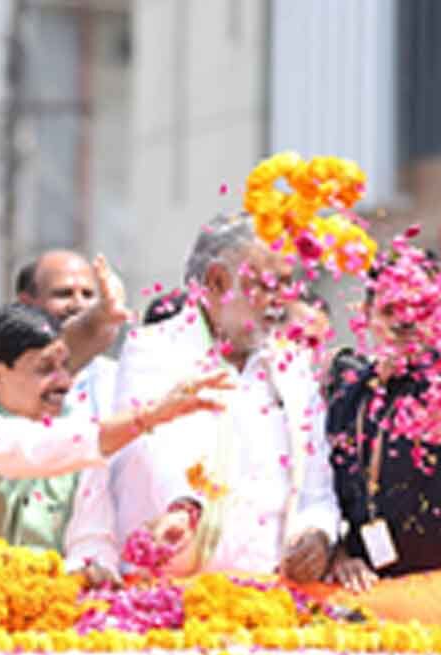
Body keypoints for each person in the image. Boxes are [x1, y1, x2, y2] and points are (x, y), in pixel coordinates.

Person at [0, 303, 232, 582]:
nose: (64, 382)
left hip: (45, 623)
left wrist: (89, 569)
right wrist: (148, 417)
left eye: (65, 366)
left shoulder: (75, 422)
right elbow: (31, 449)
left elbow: (92, 533)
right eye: (45, 369)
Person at [112, 214, 340, 583]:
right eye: (265, 284)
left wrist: (317, 534)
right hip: (169, 594)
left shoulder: (293, 367)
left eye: (287, 284)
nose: (280, 301)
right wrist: (185, 509)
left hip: (271, 597)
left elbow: (317, 487)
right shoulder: (153, 351)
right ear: (218, 282)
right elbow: (155, 451)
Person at [324, 175, 441, 592]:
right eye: (391, 309)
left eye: (419, 308)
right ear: (368, 314)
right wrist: (340, 554)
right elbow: (321, 494)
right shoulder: (350, 395)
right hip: (361, 597)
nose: (404, 320)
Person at [19, 250, 121, 417]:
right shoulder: (9, 377)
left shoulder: (116, 379)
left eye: (87, 294)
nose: (78, 305)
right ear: (26, 303)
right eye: (63, 294)